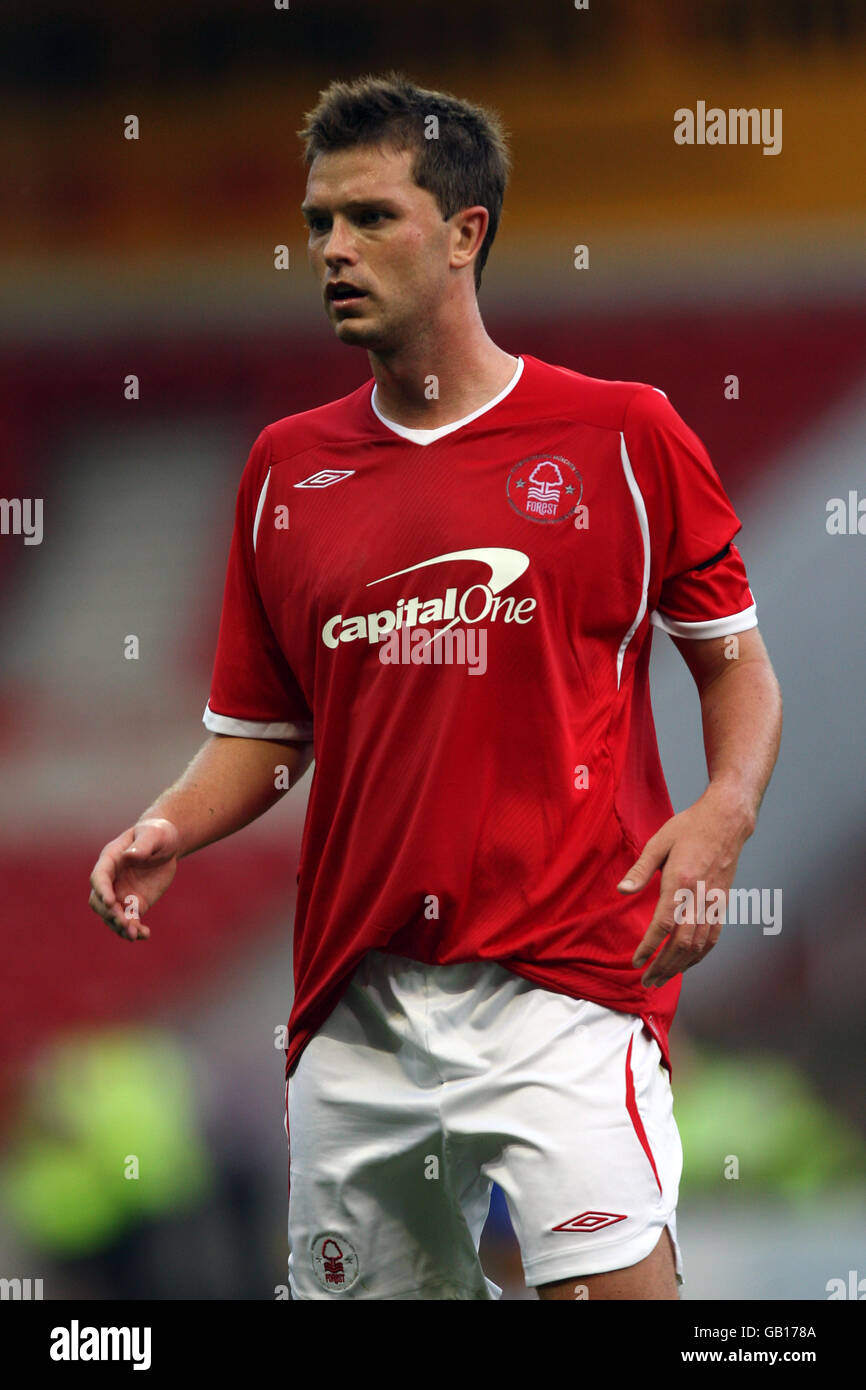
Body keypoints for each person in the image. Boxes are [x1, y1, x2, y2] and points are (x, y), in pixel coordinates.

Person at [89, 71, 782, 1301]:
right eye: (316, 224)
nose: (331, 250)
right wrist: (169, 824)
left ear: (465, 233)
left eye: (369, 217)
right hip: (357, 1010)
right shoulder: (283, 472)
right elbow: (266, 733)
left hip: (564, 985)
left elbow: (733, 667)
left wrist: (720, 819)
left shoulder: (623, 436)